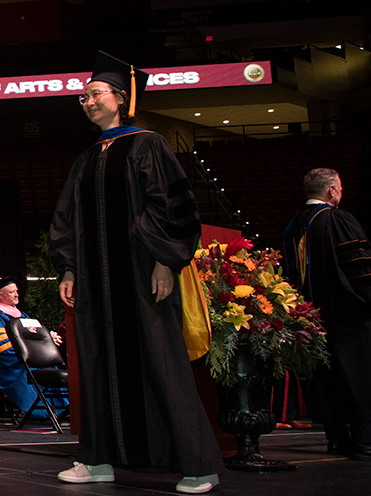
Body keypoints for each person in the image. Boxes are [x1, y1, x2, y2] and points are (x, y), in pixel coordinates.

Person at [49, 52, 222, 493]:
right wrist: (68, 267)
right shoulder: (88, 157)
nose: (86, 102)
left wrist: (166, 261)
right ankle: (100, 459)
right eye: (82, 97)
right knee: (97, 364)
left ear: (121, 98)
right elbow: (67, 218)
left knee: (162, 363)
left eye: (94, 94)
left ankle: (198, 466)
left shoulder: (149, 144)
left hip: (143, 274)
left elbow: (172, 207)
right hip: (96, 282)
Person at [283, 168, 371, 458]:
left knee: (327, 377)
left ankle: (336, 438)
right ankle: (363, 439)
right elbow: (357, 268)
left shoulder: (293, 224)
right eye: (340, 187)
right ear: (331, 190)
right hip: (345, 317)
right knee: (356, 375)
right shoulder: (337, 219)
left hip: (310, 317)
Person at [0, 276, 67, 420]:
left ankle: (62, 409)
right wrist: (31, 355)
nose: (17, 294)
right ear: (1, 295)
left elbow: (35, 334)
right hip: (13, 365)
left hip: (30, 360)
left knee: (52, 366)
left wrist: (49, 338)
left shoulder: (19, 314)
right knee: (35, 371)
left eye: (16, 291)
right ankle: (44, 412)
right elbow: (2, 350)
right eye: (12, 292)